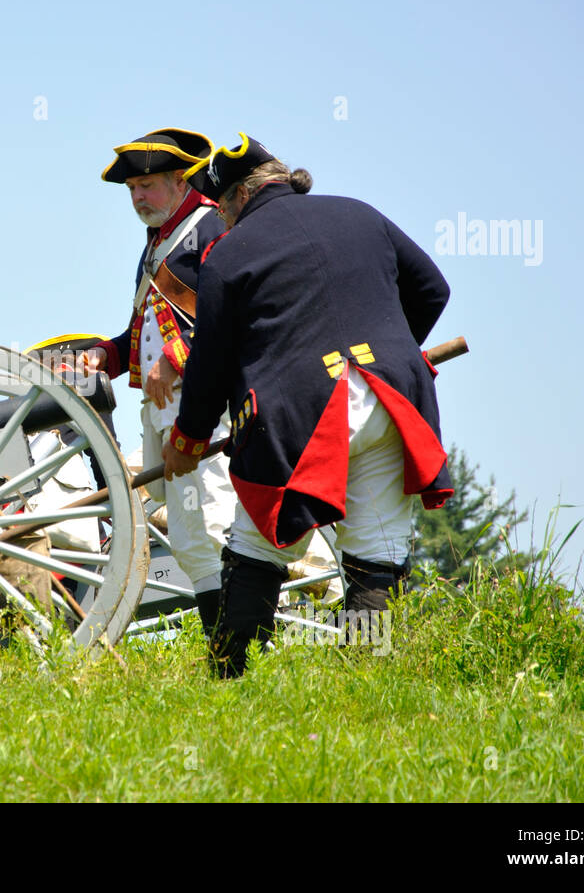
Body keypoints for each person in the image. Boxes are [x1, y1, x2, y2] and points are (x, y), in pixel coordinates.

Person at [163, 134, 453, 677]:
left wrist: (187, 440)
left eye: (221, 207)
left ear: (239, 199)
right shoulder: (361, 214)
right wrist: (391, 351)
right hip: (392, 399)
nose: (222, 221)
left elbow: (209, 363)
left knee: (258, 544)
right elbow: (432, 288)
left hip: (298, 411)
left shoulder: (227, 253)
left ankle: (232, 678)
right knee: (377, 549)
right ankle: (368, 678)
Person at [77, 128, 236, 635]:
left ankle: (235, 651)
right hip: (164, 411)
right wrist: (104, 356)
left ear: (177, 179)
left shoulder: (212, 226)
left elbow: (232, 310)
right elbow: (141, 333)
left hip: (207, 404)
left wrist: (180, 356)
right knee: (190, 537)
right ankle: (225, 653)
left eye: (146, 184)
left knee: (209, 525)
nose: (138, 197)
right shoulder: (158, 243)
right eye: (132, 190)